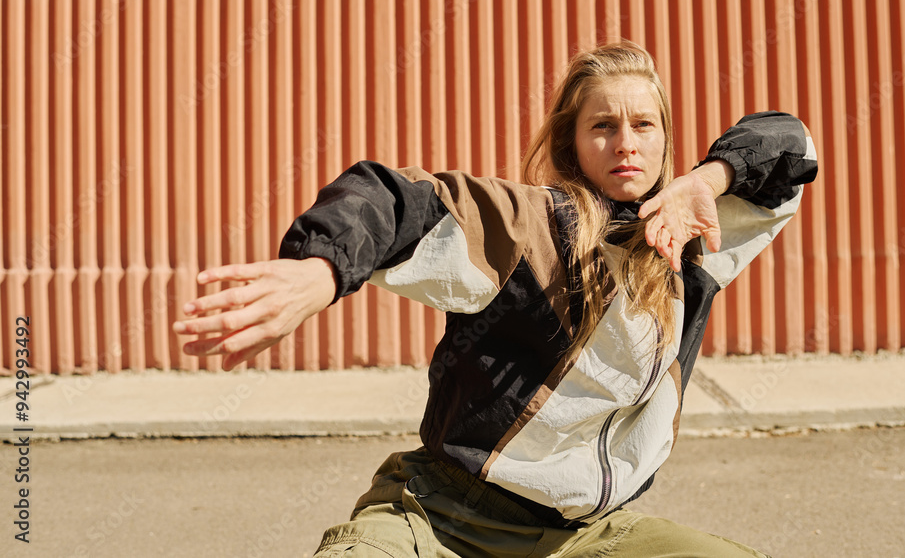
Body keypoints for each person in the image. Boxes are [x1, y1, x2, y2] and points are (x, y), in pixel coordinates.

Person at [174, 41, 817, 557]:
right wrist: (319, 272)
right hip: (442, 520)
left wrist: (708, 177)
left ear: (663, 139)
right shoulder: (527, 227)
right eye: (603, 125)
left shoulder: (698, 237)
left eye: (643, 125)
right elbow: (396, 200)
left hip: (582, 538)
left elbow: (793, 143)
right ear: (571, 144)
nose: (626, 142)